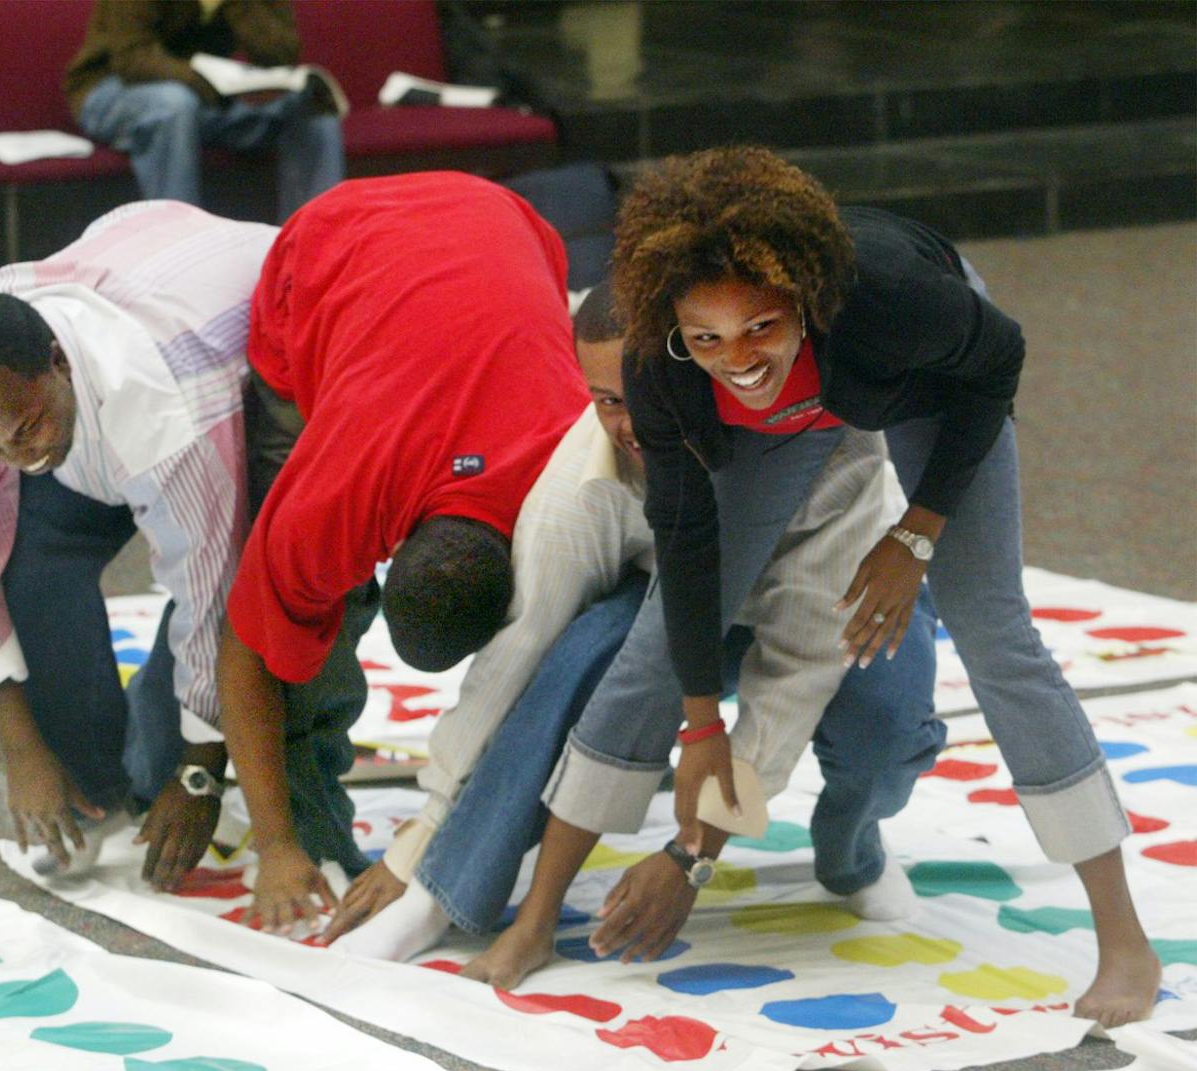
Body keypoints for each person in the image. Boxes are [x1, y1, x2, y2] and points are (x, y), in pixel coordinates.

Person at [613, 145, 1160, 1028]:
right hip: (823, 385)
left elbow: (999, 360)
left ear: (800, 303)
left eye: (760, 326)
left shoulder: (890, 301)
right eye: (705, 336)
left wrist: (917, 532)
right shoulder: (665, 361)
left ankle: (1124, 936)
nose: (737, 358)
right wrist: (703, 723)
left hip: (932, 378)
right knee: (688, 601)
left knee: (993, 628)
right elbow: (683, 538)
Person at [324, 283, 945, 979]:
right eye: (606, 400)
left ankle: (852, 846)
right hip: (683, 602)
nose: (630, 424)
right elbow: (519, 650)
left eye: (645, 394)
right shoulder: (583, 479)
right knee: (580, 652)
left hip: (845, 598)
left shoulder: (837, 457)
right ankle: (446, 889)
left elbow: (797, 670)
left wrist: (696, 854)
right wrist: (423, 836)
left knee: (889, 728)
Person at [216, 171, 590, 934]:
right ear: (385, 556)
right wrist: (276, 844)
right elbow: (243, 646)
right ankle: (311, 836)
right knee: (295, 614)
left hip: (504, 219)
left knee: (562, 643)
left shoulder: (578, 476)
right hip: (326, 240)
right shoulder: (336, 495)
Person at [0, 200, 284, 891]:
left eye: (26, 426)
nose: (17, 457)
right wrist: (22, 750)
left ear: (57, 362)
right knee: (20, 564)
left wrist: (199, 772)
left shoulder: (168, 414)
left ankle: (166, 760)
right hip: (126, 279)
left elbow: (213, 594)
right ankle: (93, 791)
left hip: (238, 363)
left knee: (200, 706)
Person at [65, 0, 343, 218]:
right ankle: (180, 257)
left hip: (206, 93)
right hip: (111, 88)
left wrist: (237, 5)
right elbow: (130, 57)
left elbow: (281, 54)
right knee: (174, 104)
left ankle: (311, 257)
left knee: (310, 105)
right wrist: (202, 82)